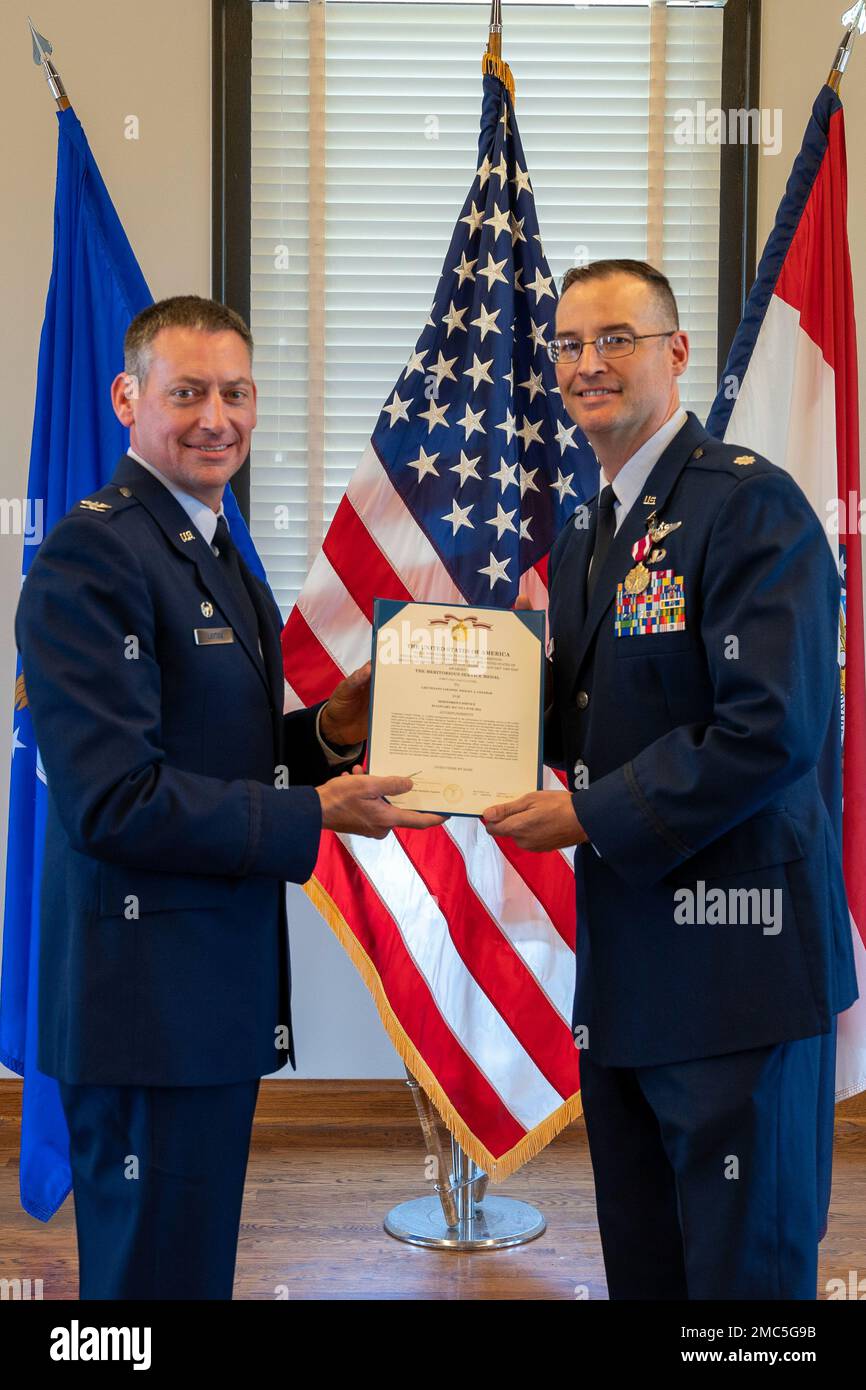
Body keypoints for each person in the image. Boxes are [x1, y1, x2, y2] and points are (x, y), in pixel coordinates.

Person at [15, 294, 442, 1300]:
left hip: (202, 994)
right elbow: (114, 800)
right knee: (146, 1285)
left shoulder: (209, 547)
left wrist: (331, 729)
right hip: (142, 1006)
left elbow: (219, 759)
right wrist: (320, 814)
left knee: (188, 1268)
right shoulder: (95, 555)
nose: (217, 417)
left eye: (236, 392)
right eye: (188, 392)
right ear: (128, 398)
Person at [483, 259, 858, 1300]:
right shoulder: (581, 538)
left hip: (738, 975)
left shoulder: (749, 508)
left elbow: (769, 729)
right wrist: (496, 675)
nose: (585, 363)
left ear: (675, 352)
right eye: (566, 344)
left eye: (614, 338)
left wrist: (587, 815)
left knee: (741, 1286)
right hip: (630, 978)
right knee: (646, 1270)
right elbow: (593, 720)